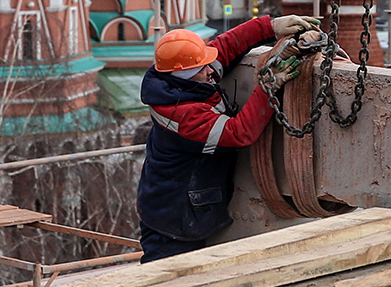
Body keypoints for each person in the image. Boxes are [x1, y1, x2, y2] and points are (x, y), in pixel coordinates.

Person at [136, 14, 324, 262]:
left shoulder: (178, 75)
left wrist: (269, 26)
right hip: (172, 217)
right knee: (166, 281)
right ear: (187, 74)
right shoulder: (182, 114)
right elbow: (239, 133)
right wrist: (267, 90)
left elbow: (226, 45)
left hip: (170, 204)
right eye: (202, 67)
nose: (210, 70)